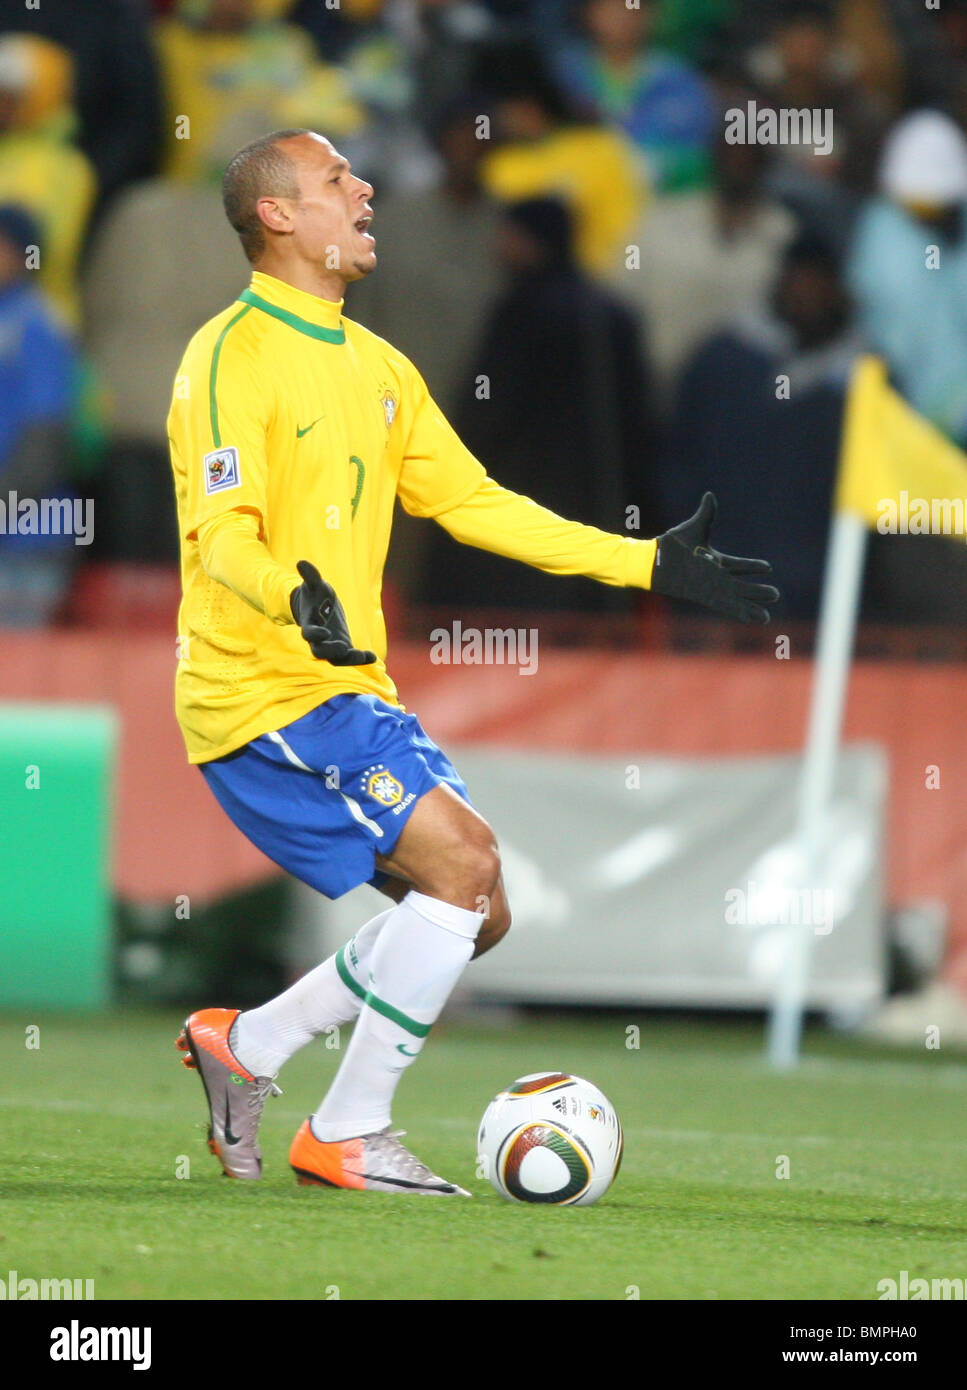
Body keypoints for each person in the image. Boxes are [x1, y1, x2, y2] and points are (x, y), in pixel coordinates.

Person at [168, 127, 778, 1196]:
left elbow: (473, 503)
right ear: (277, 216)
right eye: (333, 180)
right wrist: (288, 594)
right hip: (260, 690)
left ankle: (252, 1045)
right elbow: (223, 531)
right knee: (462, 867)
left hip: (348, 690)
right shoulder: (229, 352)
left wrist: (640, 561)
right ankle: (347, 1130)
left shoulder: (379, 365)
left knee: (475, 913)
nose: (364, 189)